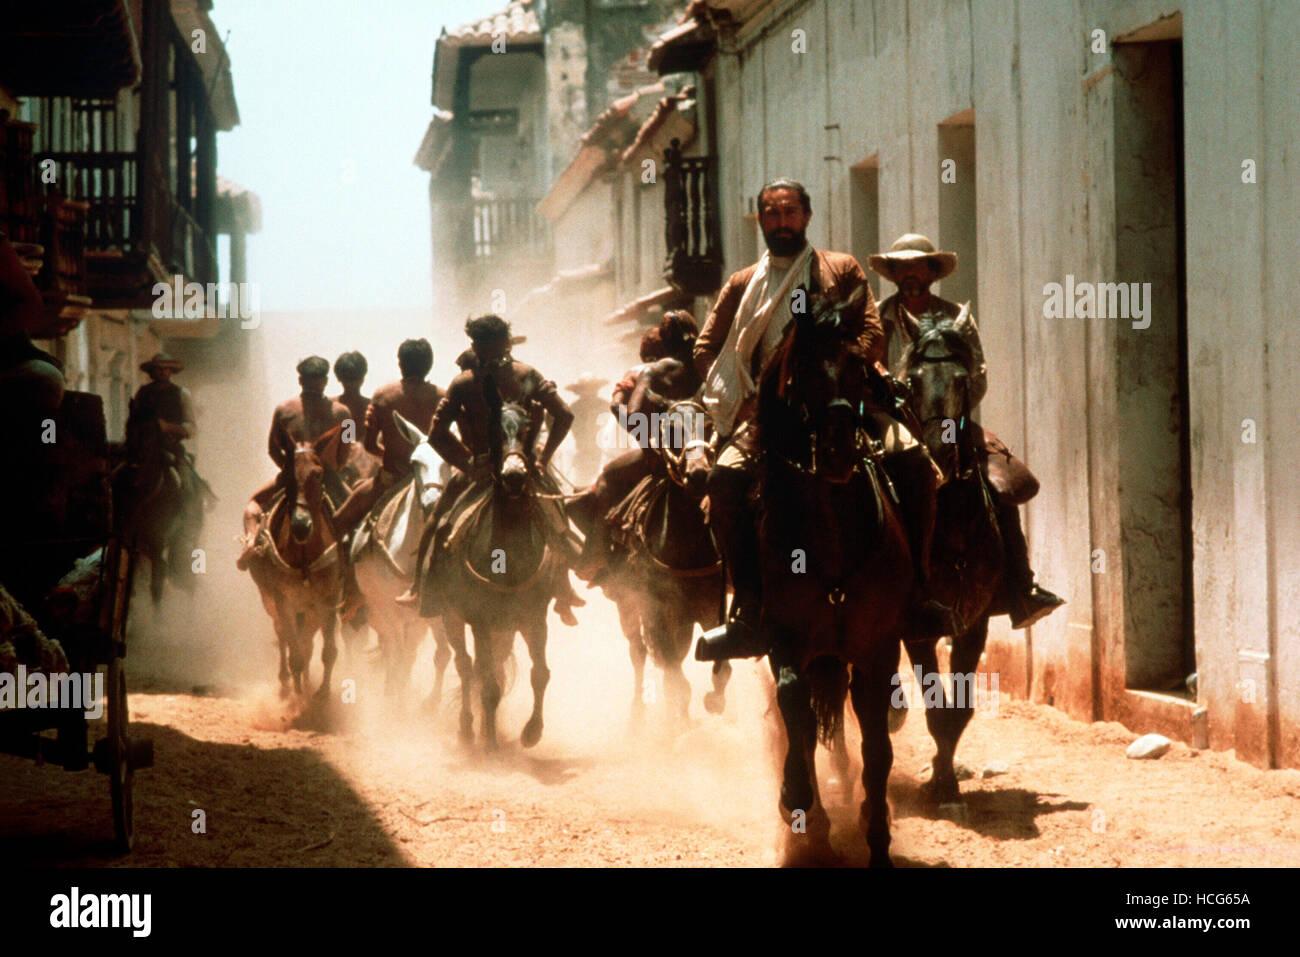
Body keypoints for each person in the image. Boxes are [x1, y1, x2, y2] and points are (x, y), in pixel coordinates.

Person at [693, 179, 953, 661]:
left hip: (843, 404)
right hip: (768, 416)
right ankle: (749, 610)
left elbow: (873, 331)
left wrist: (840, 366)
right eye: (771, 213)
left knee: (915, 462)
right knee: (724, 480)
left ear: (808, 216)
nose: (781, 221)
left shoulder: (842, 268)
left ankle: (918, 591)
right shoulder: (741, 283)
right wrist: (742, 394)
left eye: (790, 212)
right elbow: (706, 347)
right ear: (761, 222)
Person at [869, 233, 1065, 628]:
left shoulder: (956, 317)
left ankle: (1021, 586)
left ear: (932, 271)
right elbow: (867, 367)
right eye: (902, 267)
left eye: (919, 266)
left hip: (951, 418)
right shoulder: (876, 318)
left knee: (1001, 483)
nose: (911, 274)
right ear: (892, 274)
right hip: (893, 420)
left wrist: (952, 404)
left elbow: (978, 373)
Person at [398, 314, 584, 624]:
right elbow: (563, 415)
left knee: (556, 520)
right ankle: (424, 588)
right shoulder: (492, 379)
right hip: (499, 468)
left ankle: (424, 589)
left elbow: (564, 415)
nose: (487, 353)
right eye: (482, 346)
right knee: (441, 522)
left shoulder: (470, 382)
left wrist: (534, 460)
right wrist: (471, 465)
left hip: (509, 467)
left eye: (488, 346)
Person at [571, 310, 703, 585]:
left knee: (606, 480)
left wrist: (652, 443)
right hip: (705, 451)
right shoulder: (707, 362)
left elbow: (629, 415)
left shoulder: (646, 372)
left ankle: (597, 554)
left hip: (660, 456)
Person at [332, 339, 444, 623]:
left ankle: (351, 592)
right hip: (431, 479)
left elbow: (368, 444)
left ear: (400, 364)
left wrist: (389, 460)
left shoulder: (379, 398)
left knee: (340, 523)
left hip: (390, 477)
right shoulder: (442, 396)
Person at [236, 356, 350, 569]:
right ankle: (352, 565)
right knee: (357, 515)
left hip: (290, 477)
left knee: (253, 506)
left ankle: (251, 543)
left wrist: (293, 472)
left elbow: (272, 449)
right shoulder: (344, 414)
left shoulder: (283, 410)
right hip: (329, 478)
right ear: (325, 381)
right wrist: (323, 472)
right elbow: (345, 455)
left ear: (300, 380)